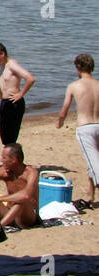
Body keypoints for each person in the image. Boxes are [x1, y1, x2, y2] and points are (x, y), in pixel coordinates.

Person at [58, 53, 99, 207]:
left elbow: (65, 109)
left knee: (95, 163)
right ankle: (91, 196)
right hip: (98, 125)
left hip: (85, 128)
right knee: (93, 161)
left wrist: (60, 121)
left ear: (77, 67)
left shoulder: (74, 86)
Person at [0, 143, 40, 228]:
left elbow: (26, 195)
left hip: (27, 217)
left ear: (14, 160)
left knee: (21, 200)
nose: (1, 160)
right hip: (9, 214)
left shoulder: (31, 173)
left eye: (4, 158)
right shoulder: (4, 171)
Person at [0, 43, 35, 145]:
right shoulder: (3, 66)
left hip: (14, 102)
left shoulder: (12, 65)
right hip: (5, 102)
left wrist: (21, 94)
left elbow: (30, 79)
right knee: (5, 136)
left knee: (11, 136)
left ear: (2, 54)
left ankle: (13, 158)